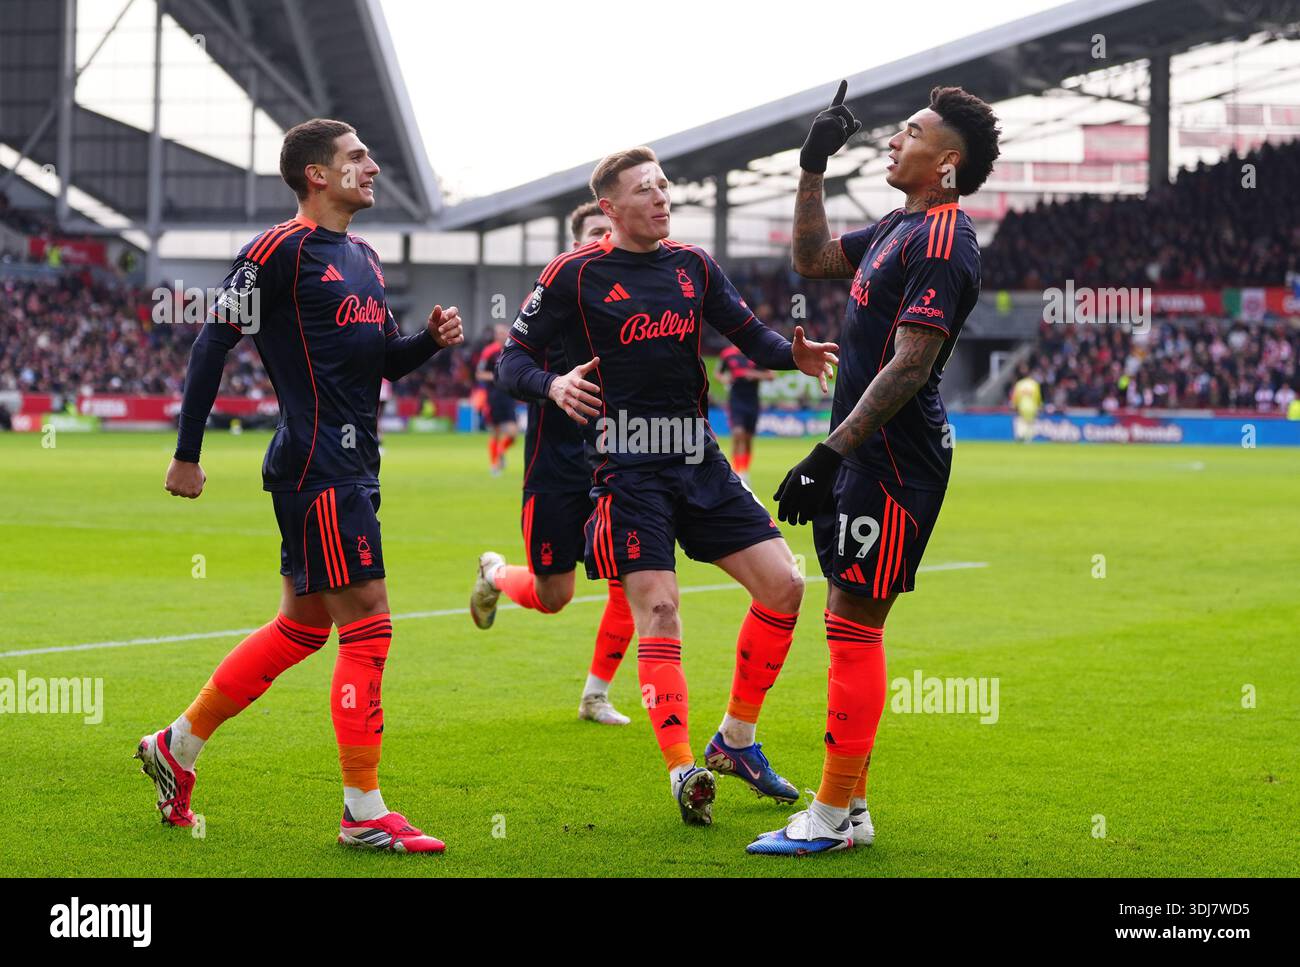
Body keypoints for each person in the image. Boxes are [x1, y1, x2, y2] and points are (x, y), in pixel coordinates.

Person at [143, 118, 464, 854]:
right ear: (316, 174)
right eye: (357, 157)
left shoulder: (365, 258)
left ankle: (176, 746)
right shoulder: (276, 251)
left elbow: (381, 360)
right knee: (370, 624)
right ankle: (362, 809)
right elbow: (211, 340)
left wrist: (430, 341)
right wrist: (187, 453)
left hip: (353, 465)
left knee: (301, 628)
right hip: (318, 466)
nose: (372, 166)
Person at [496, 146, 839, 827]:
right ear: (609, 208)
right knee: (659, 607)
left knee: (785, 585)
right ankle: (683, 767)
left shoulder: (693, 265)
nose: (661, 197)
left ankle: (734, 740)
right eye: (645, 189)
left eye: (664, 185)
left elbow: (748, 333)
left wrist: (790, 354)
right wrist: (553, 383)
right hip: (626, 468)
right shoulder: (573, 274)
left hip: (697, 456)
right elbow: (513, 359)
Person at [751, 81, 1000, 856]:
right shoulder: (901, 223)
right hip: (868, 457)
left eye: (912, 132)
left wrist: (830, 453)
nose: (894, 139)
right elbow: (813, 258)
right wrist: (812, 166)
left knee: (855, 625)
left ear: (947, 162)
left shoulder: (945, 242)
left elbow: (908, 366)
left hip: (895, 460)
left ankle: (828, 818)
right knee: (845, 622)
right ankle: (849, 808)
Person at [470, 201, 636, 727]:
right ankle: (496, 574)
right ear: (574, 245)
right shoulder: (551, 304)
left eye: (612, 232)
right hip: (557, 468)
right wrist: (553, 384)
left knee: (635, 578)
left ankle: (595, 695)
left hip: (620, 462)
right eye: (594, 234)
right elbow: (510, 368)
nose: (604, 241)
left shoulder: (640, 299)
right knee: (554, 595)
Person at [716, 345, 774, 480]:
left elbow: (771, 375)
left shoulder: (755, 353)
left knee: (747, 439)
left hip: (752, 401)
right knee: (738, 433)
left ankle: (745, 470)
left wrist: (754, 375)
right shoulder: (727, 354)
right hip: (736, 400)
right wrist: (724, 379)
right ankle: (736, 471)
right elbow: (718, 373)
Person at [476, 323, 519, 474]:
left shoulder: (512, 349)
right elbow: (479, 374)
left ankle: (500, 451)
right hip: (493, 397)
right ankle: (494, 465)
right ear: (495, 335)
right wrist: (497, 376)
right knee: (495, 432)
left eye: (504, 332)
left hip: (508, 397)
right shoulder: (489, 351)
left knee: (514, 434)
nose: (502, 335)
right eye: (499, 333)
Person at [1011, 366, 1042, 442]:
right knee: (1030, 423)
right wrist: (1039, 406)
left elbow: (1015, 396)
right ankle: (1028, 439)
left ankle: (1020, 435)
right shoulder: (1034, 384)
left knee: (1021, 420)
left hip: (1022, 406)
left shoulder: (1019, 384)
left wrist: (1014, 405)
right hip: (1032, 406)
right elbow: (1037, 396)